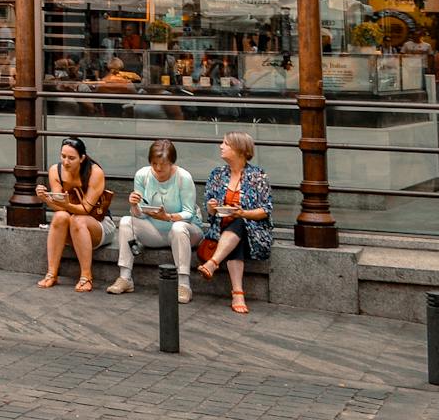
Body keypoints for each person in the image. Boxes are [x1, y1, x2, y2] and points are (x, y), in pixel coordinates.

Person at [106, 139, 201, 301]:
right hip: (154, 229)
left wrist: (168, 217)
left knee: (178, 228)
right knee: (125, 222)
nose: (158, 168)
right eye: (154, 163)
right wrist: (134, 205)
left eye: (163, 164)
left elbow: (188, 213)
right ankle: (125, 277)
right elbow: (140, 214)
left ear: (172, 162)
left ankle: (184, 285)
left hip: (186, 231)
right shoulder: (142, 175)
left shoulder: (183, 177)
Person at [197, 131, 273, 315]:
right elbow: (210, 212)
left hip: (253, 232)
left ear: (239, 149)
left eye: (226, 144)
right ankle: (238, 294)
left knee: (240, 222)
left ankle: (213, 263)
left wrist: (243, 212)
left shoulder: (257, 175)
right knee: (236, 228)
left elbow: (265, 210)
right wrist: (212, 206)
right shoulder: (217, 174)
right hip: (220, 229)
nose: (221, 146)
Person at [37, 135, 110, 291]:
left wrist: (65, 204)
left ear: (82, 158)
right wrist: (46, 199)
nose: (66, 162)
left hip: (99, 224)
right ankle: (51, 273)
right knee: (60, 216)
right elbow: (59, 207)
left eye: (71, 158)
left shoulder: (95, 172)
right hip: (71, 224)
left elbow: (85, 210)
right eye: (63, 156)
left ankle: (86, 277)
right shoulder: (55, 171)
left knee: (79, 219)